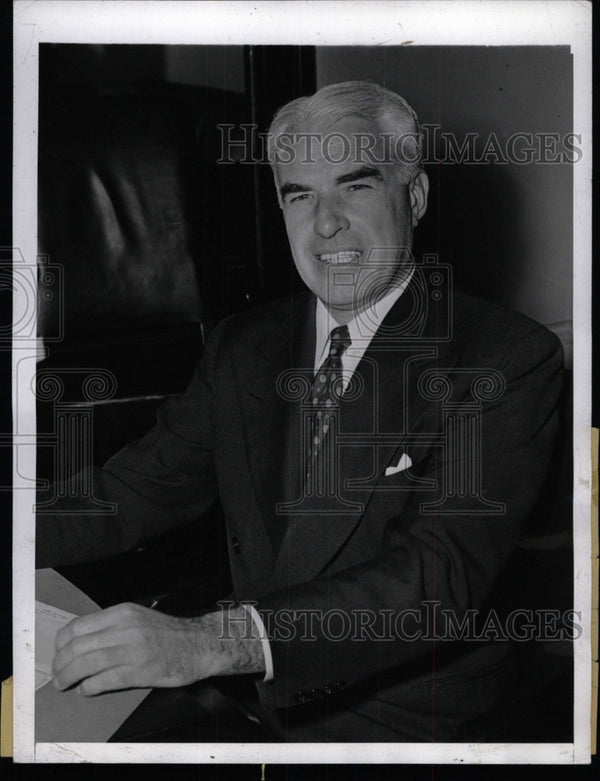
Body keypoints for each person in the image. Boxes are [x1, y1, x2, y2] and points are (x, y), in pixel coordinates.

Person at [37, 81, 564, 742]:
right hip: (254, 696)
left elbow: (435, 581)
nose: (325, 223)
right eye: (299, 194)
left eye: (356, 186)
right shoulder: (243, 344)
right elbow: (133, 490)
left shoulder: (506, 356)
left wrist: (210, 641)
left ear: (417, 196)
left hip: (409, 721)